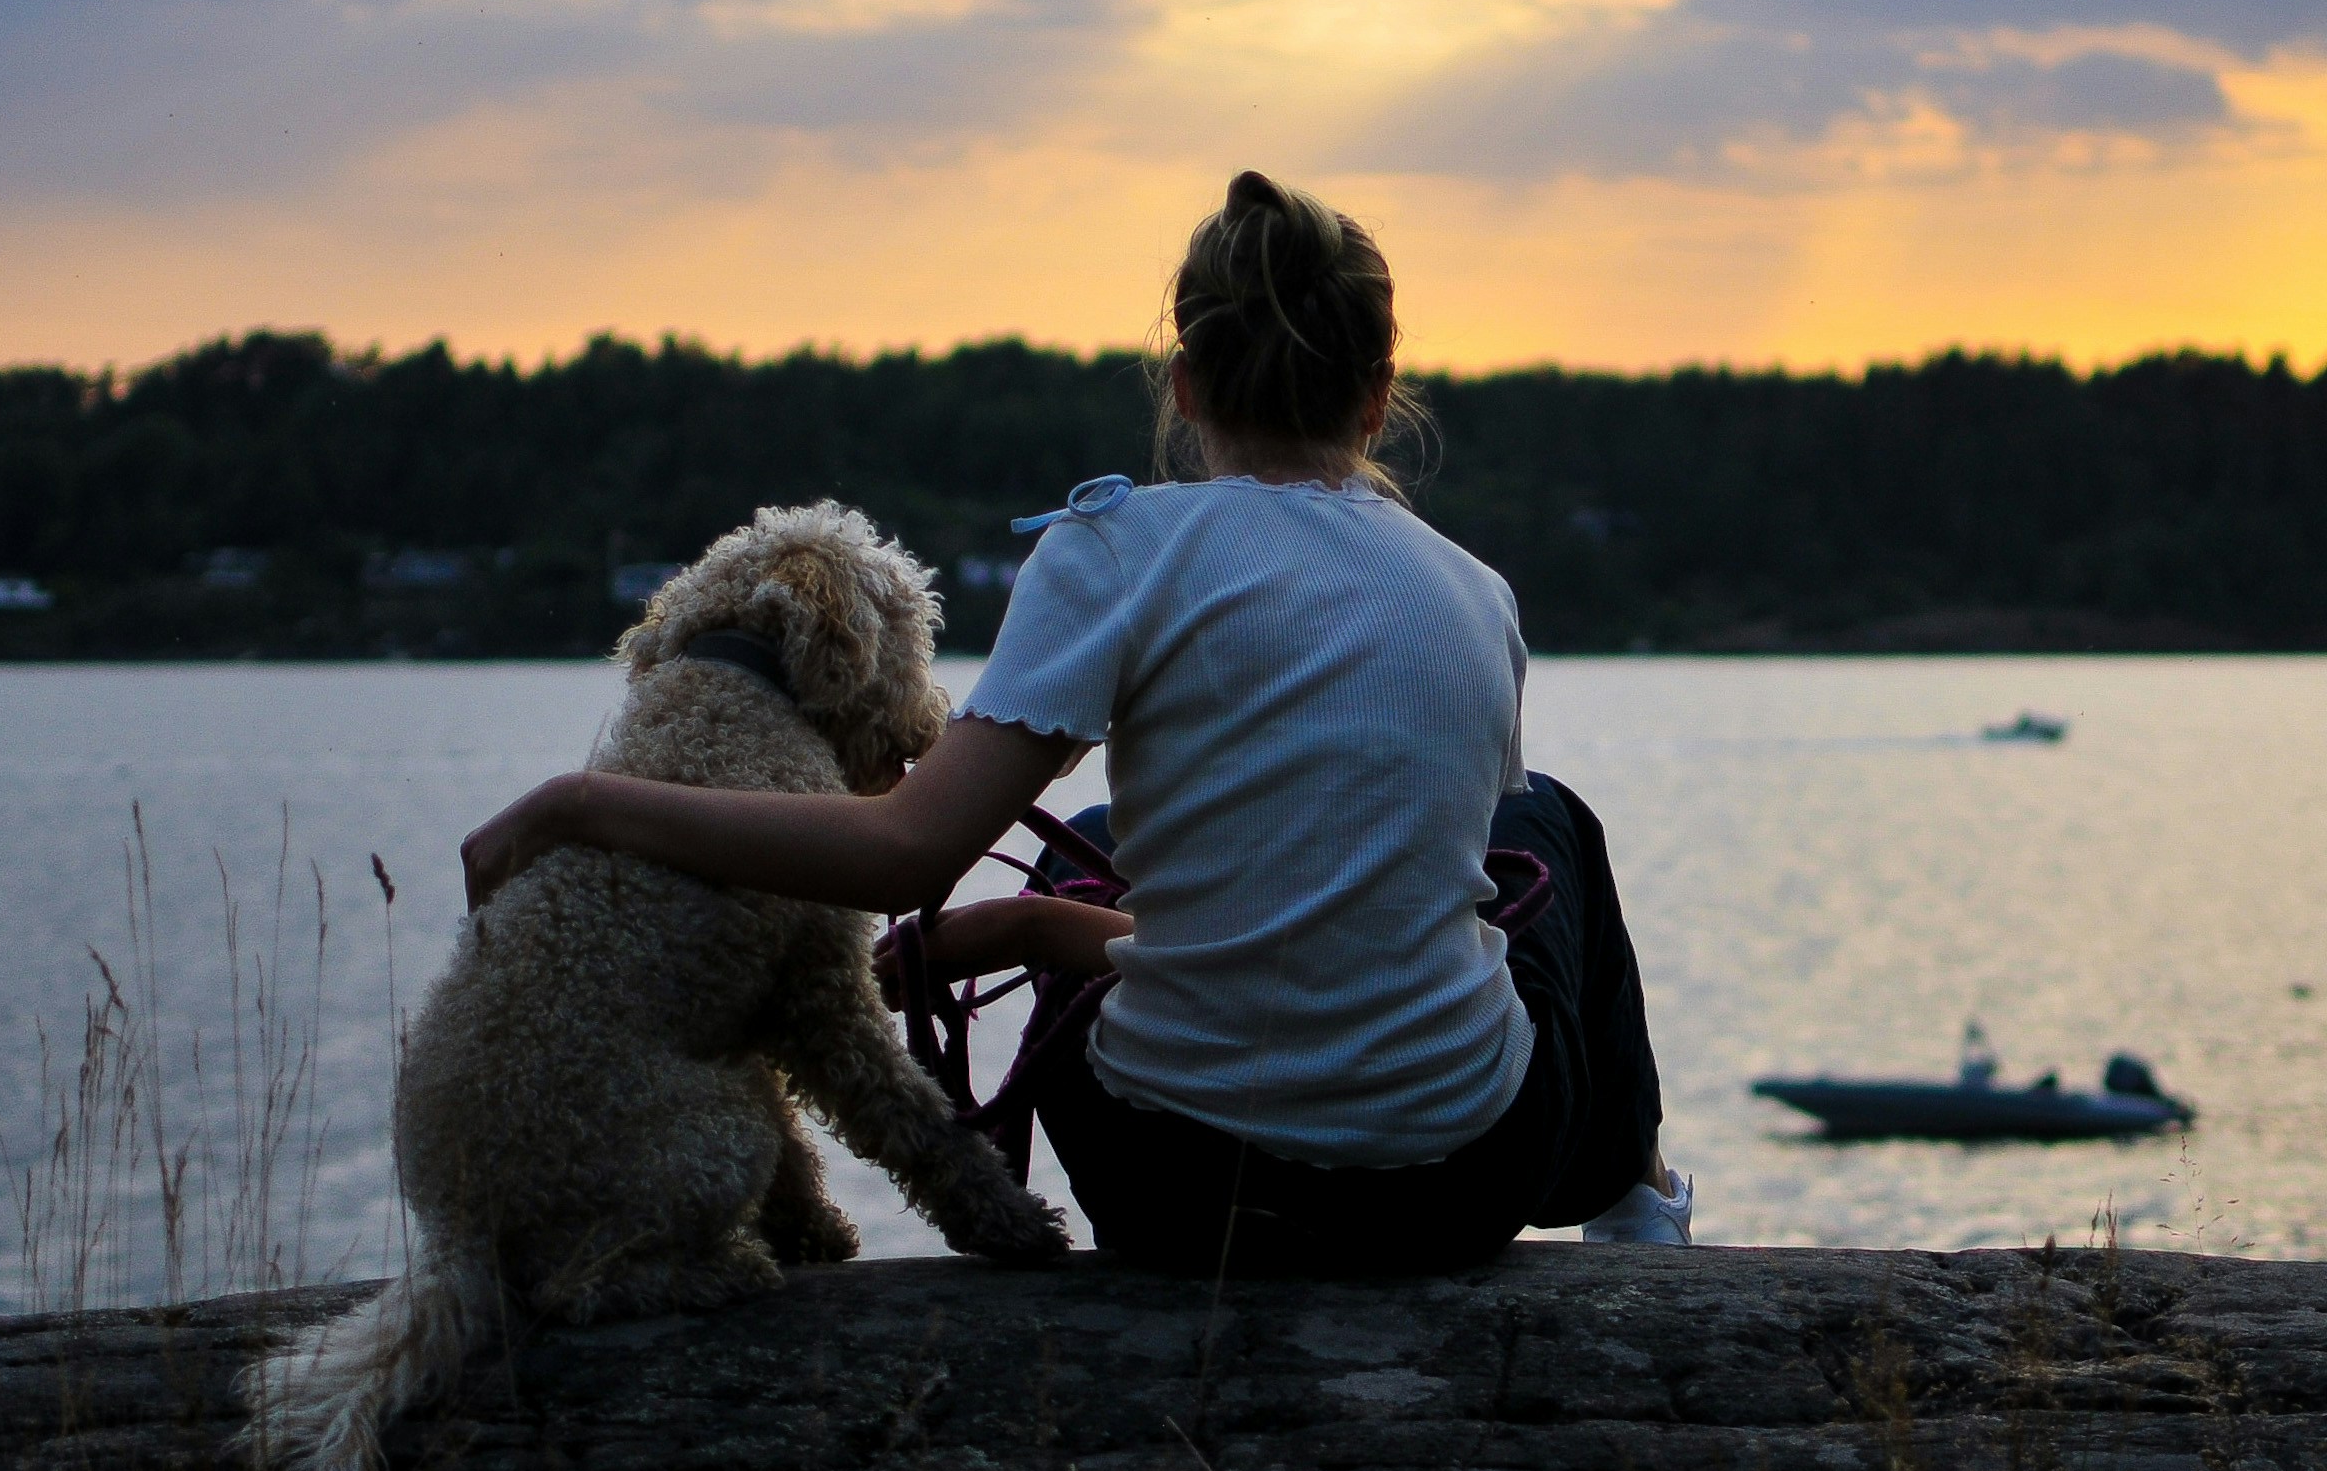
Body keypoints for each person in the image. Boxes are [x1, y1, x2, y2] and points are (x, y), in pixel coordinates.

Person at [457, 169, 1689, 1274]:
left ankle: (1041, 1174)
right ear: (1377, 399)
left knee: (1082, 832)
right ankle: (1631, 1197)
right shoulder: (1477, 593)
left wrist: (586, 802)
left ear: (1184, 381)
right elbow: (1349, 897)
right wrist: (1040, 922)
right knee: (1544, 822)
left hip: (1180, 1196)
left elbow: (902, 853)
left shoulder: (1114, 543)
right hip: (1455, 1197)